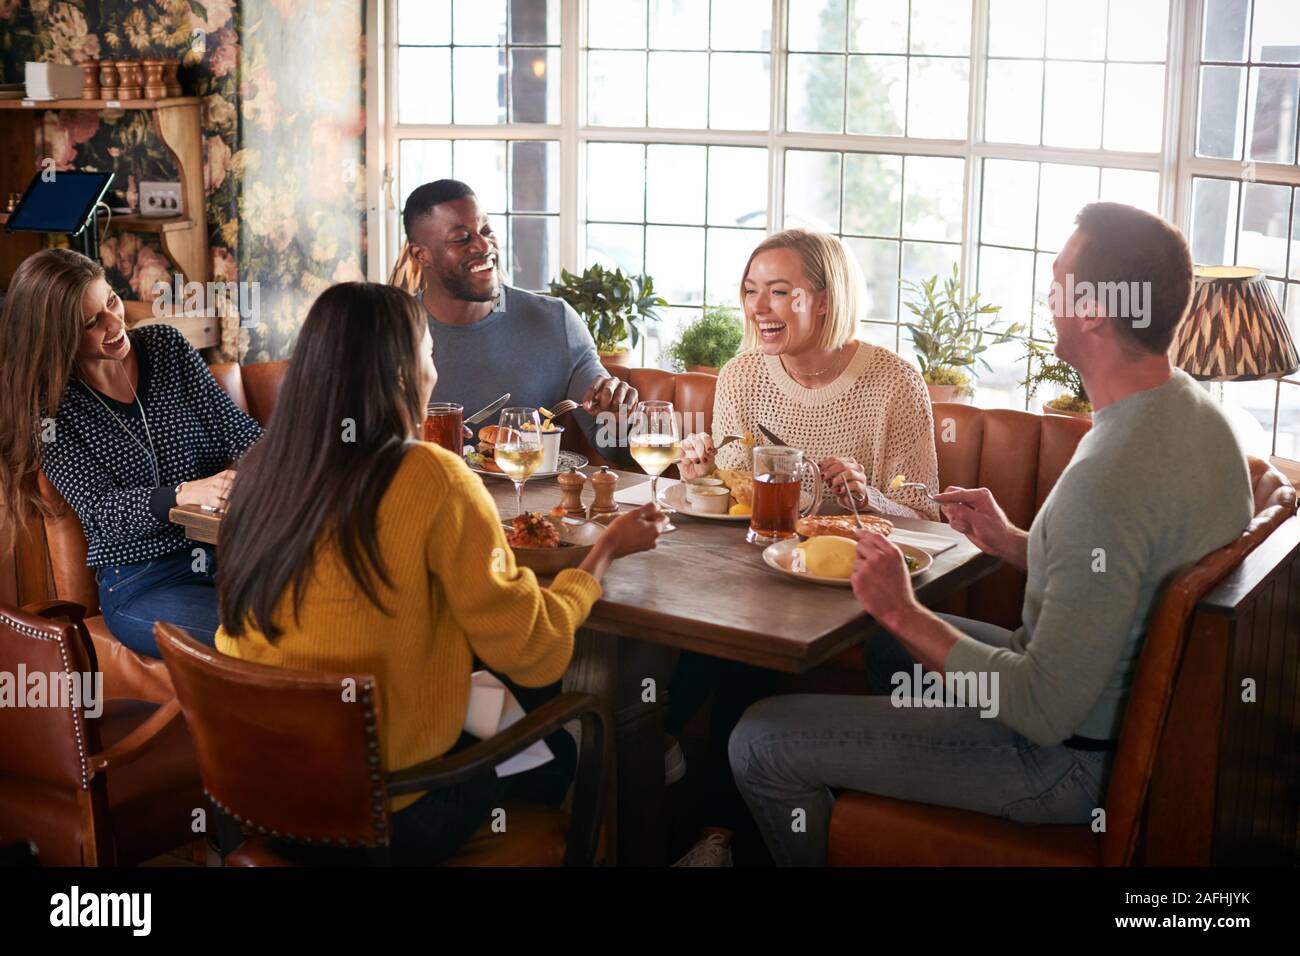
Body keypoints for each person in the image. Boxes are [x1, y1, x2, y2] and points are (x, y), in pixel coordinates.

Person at [728, 203, 1254, 866]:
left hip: (1064, 761)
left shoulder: (1110, 477)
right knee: (892, 654)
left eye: (1058, 281)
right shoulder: (1191, 415)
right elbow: (1121, 570)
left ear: (1094, 309)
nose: (1047, 295)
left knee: (759, 741)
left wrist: (900, 607)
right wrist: (1013, 543)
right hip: (1095, 709)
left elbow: (1040, 708)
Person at [216, 281, 664, 864]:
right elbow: (533, 649)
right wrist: (600, 555)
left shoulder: (260, 467)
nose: (435, 368)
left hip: (262, 799)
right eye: (429, 353)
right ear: (403, 373)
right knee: (556, 745)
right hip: (388, 816)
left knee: (485, 694)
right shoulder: (433, 476)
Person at [0, 248, 261, 656]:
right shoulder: (47, 413)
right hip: (143, 581)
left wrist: (285, 462)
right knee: (258, 641)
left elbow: (238, 431)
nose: (114, 323)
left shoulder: (165, 346)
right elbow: (103, 509)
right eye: (91, 323)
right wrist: (183, 493)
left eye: (111, 301)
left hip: (229, 556)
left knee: (320, 616)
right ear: (55, 336)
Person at [678, 228, 939, 521]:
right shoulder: (739, 377)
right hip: (757, 553)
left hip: (848, 562)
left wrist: (867, 498)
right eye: (751, 291)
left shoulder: (897, 384)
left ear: (824, 301)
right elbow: (737, 498)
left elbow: (925, 519)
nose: (757, 307)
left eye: (778, 292)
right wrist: (701, 475)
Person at [394, 179, 637, 462]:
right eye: (462, 238)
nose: (483, 245)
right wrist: (409, 440)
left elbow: (611, 444)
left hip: (531, 505)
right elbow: (345, 432)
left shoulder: (554, 321)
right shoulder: (388, 333)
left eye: (486, 230)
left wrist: (618, 416)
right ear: (421, 255)